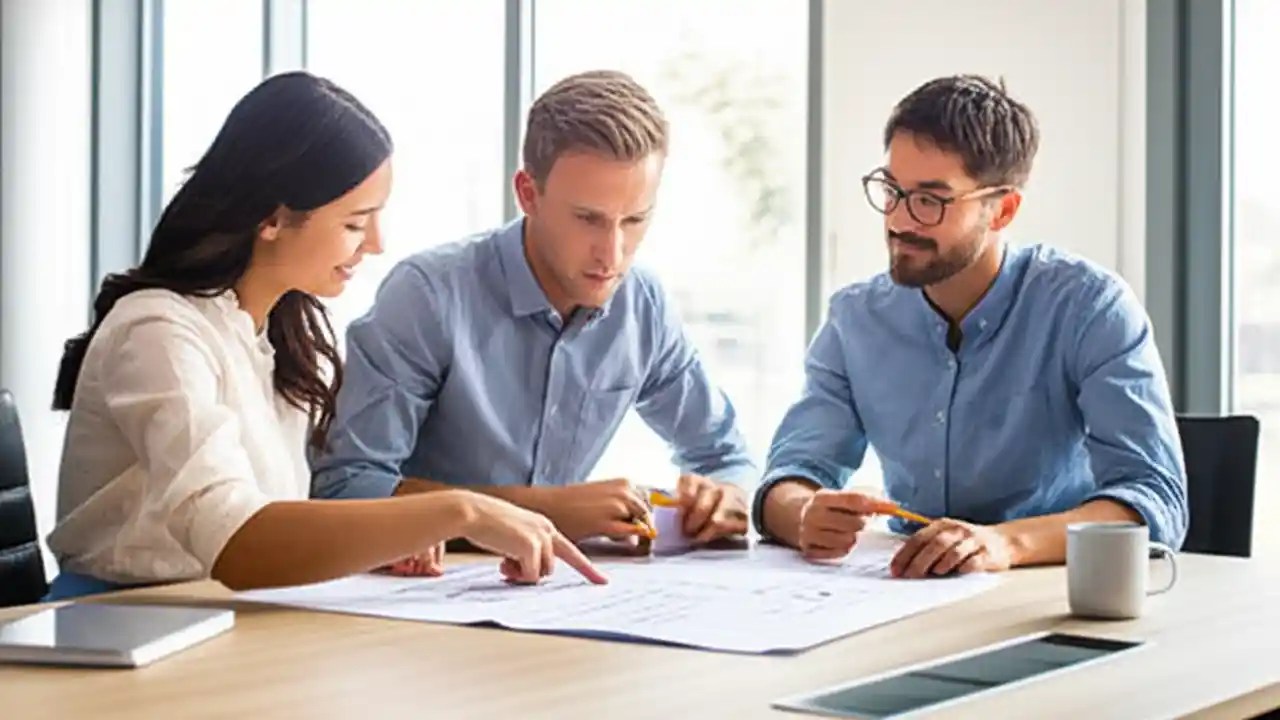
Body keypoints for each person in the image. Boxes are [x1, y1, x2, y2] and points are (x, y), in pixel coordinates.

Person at [45, 71, 604, 600]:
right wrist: (462, 511)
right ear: (272, 219)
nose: (376, 243)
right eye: (355, 223)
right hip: (117, 621)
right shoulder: (157, 332)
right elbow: (237, 541)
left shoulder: (280, 337)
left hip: (220, 616)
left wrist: (377, 542)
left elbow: (282, 521)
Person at [754, 75, 1188, 578]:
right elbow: (788, 477)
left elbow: (1155, 504)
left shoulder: (1090, 308)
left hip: (1048, 591)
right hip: (908, 592)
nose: (899, 220)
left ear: (1002, 209)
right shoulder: (855, 320)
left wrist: (1004, 545)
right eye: (891, 190)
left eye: (930, 200)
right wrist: (804, 513)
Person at [311, 70, 755, 547]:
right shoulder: (428, 297)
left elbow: (728, 459)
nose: (612, 254)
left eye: (634, 220)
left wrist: (724, 497)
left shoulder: (642, 304)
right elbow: (347, 490)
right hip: (420, 595)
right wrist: (546, 511)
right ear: (527, 194)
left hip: (563, 595)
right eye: (588, 219)